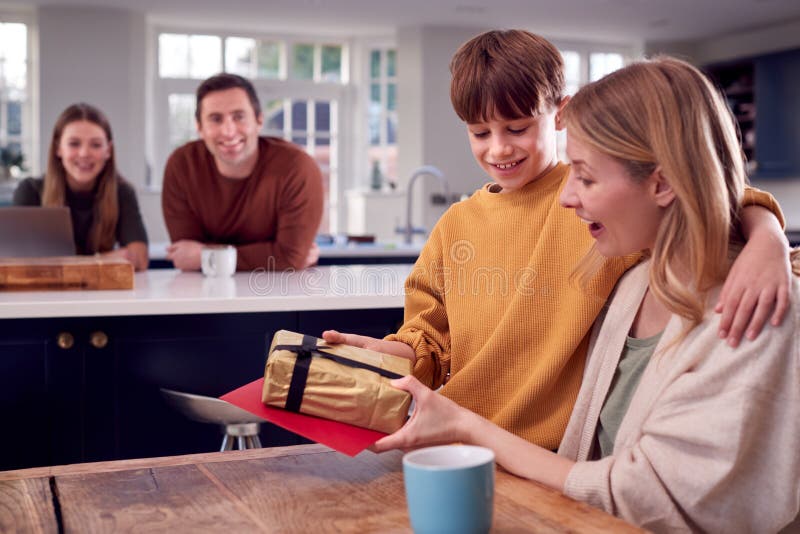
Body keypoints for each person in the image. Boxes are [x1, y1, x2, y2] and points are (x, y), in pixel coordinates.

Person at [372, 56, 800, 532]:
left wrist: (770, 235)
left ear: (661, 182)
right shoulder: (633, 279)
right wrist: (390, 357)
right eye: (480, 132)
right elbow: (431, 330)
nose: (566, 196)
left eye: (586, 176)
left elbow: (643, 497)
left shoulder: (756, 308)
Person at [161, 73, 323, 272]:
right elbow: (185, 254)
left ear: (259, 120)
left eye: (239, 117)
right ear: (199, 128)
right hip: (205, 292)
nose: (228, 131)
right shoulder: (182, 166)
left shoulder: (296, 167)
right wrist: (275, 255)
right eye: (215, 119)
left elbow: (290, 257)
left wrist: (206, 255)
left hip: (283, 290)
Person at [13, 103, 149, 271]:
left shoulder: (122, 192)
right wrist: (100, 261)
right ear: (58, 148)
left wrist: (64, 264)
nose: (84, 153)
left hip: (102, 292)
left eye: (96, 145)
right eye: (74, 143)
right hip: (47, 294)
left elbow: (139, 258)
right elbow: (18, 261)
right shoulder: (30, 191)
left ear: (108, 150)